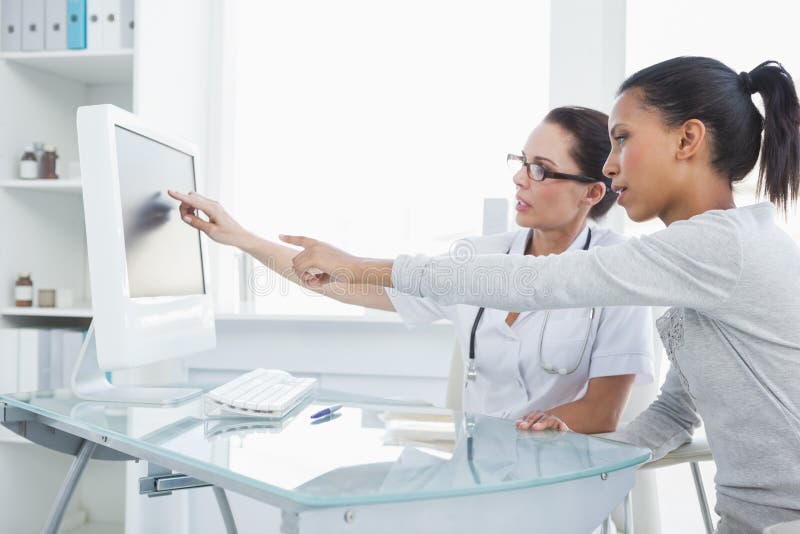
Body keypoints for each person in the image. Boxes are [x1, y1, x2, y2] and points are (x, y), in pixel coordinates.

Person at [282, 57, 800, 532]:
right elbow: (674, 414)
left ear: (687, 139)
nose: (611, 164)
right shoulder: (698, 263)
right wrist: (572, 456)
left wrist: (361, 266)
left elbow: (542, 282)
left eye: (622, 139)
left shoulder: (719, 246)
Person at [169, 106, 654, 433]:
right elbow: (337, 283)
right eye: (522, 162)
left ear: (593, 192)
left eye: (541, 169)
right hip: (474, 464)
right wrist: (237, 236)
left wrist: (517, 436)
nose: (519, 178)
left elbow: (602, 411)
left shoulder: (616, 271)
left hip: (555, 470)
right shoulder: (479, 256)